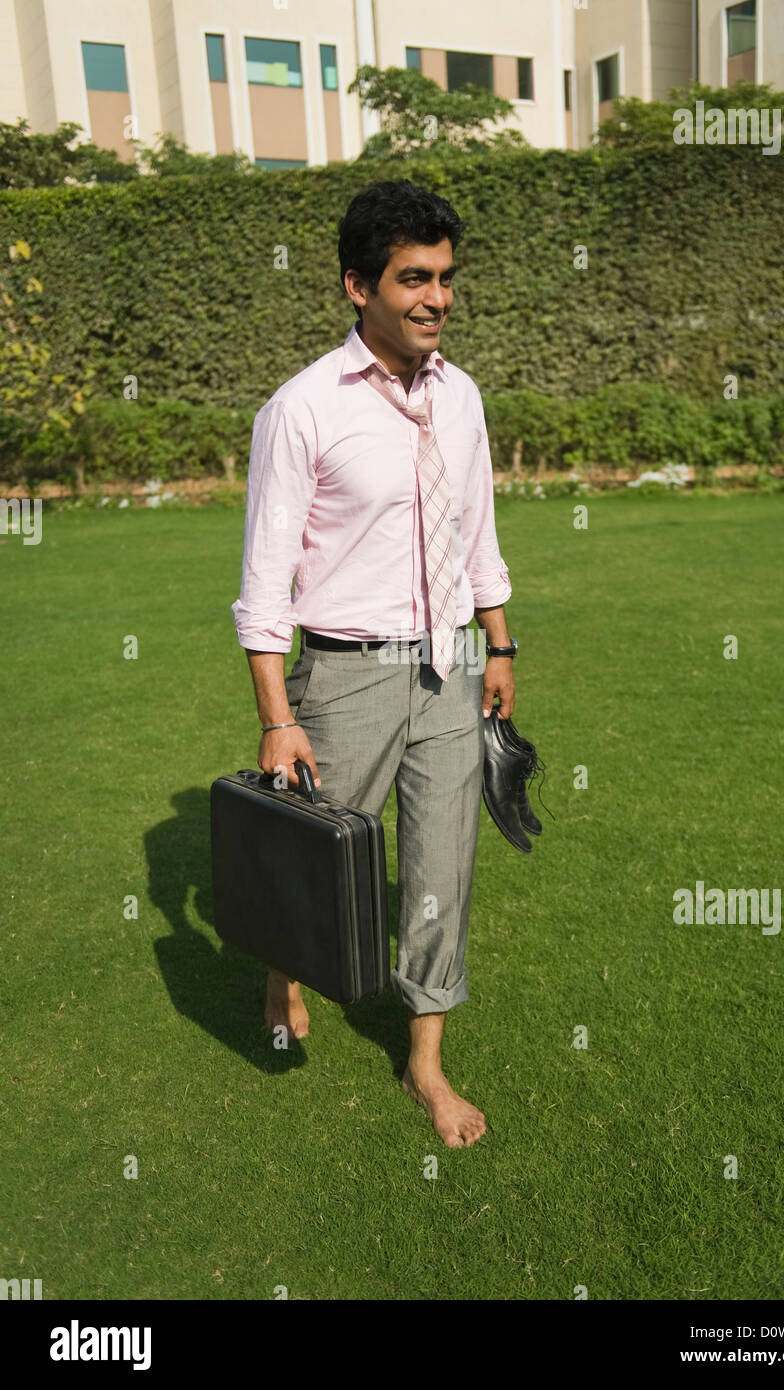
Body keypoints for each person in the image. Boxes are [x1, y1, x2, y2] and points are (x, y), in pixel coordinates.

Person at [231, 179, 516, 1148]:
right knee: (308, 865)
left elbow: (475, 528)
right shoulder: (302, 410)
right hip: (343, 677)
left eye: (445, 277)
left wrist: (499, 643)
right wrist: (279, 716)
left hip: (450, 671)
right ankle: (282, 977)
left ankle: (426, 1062)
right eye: (413, 279)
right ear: (359, 286)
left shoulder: (462, 394)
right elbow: (265, 584)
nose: (436, 298)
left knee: (440, 869)